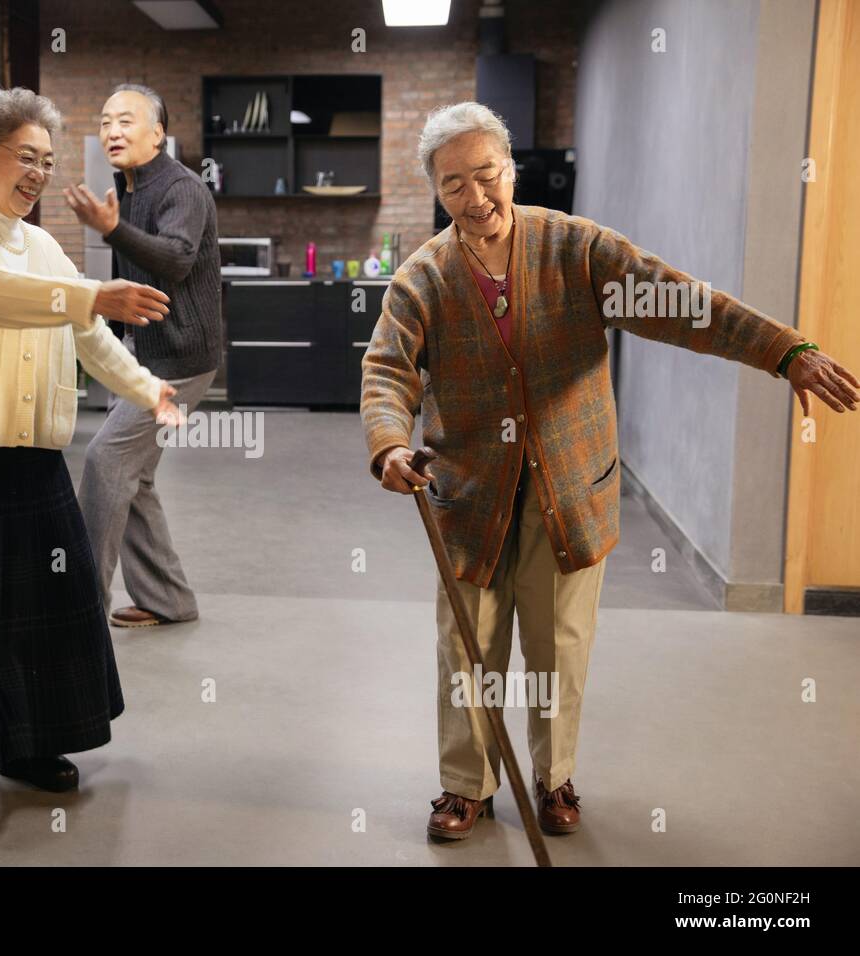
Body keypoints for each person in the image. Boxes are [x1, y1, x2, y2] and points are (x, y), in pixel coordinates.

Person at [360, 101, 858, 842]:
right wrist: (390, 443)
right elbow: (387, 371)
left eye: (487, 175)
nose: (476, 198)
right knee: (469, 646)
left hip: (569, 491)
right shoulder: (422, 279)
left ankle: (553, 776)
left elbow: (685, 305)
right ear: (439, 189)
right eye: (454, 184)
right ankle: (464, 786)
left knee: (559, 645)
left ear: (511, 169)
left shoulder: (574, 248)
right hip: (468, 497)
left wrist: (783, 350)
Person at [0, 86, 183, 801]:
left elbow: (91, 341)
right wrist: (89, 295)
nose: (38, 173)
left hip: (30, 458)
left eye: (47, 162)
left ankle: (30, 745)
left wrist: (148, 388)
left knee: (48, 606)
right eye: (25, 157)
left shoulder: (46, 245)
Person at [63, 83, 222, 629]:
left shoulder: (183, 189)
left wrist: (111, 229)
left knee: (106, 461)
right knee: (136, 478)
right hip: (143, 353)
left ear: (158, 133)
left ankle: (80, 606)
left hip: (180, 361)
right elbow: (135, 280)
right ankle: (168, 599)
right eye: (106, 121)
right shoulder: (128, 190)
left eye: (126, 121)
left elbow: (176, 260)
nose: (113, 131)